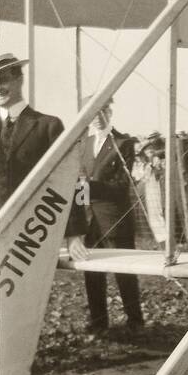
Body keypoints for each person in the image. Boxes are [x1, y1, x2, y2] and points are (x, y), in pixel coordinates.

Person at [72, 98, 145, 335]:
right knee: (92, 271)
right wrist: (82, 212)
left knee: (124, 270)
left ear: (109, 111)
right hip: (90, 220)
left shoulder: (123, 143)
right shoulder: (84, 143)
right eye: (92, 111)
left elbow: (123, 185)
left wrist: (91, 186)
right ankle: (99, 321)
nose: (97, 116)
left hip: (115, 218)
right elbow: (79, 179)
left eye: (101, 110)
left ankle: (135, 320)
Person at [0, 53, 66, 207]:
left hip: (34, 225)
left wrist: (74, 229)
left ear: (20, 80)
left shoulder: (49, 126)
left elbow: (64, 182)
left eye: (3, 79)